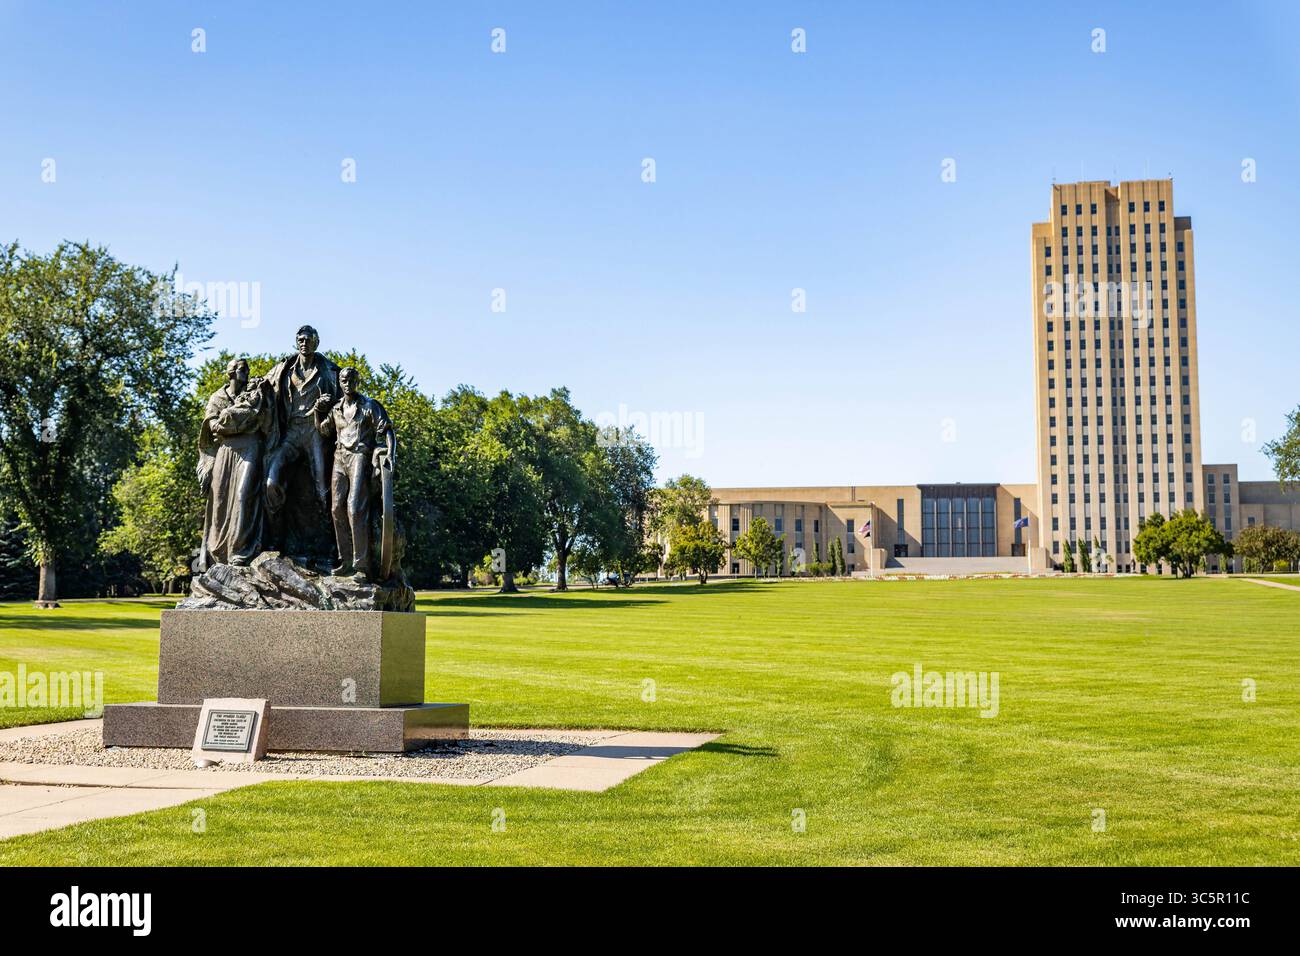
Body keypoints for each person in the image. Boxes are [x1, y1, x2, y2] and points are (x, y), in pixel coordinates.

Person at [263, 325, 341, 564]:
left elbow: (344, 404)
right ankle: (275, 540)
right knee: (271, 482)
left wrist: (328, 406)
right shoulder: (283, 370)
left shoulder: (329, 371)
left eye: (307, 339)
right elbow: (262, 389)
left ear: (316, 343)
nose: (303, 343)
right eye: (300, 339)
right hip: (292, 433)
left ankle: (333, 545)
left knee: (323, 491)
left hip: (316, 432)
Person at [315, 366, 395, 578]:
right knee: (336, 509)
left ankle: (361, 566)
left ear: (357, 382)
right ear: (340, 383)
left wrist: (390, 454)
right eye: (343, 380)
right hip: (339, 458)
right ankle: (346, 561)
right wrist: (317, 410)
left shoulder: (369, 406)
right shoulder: (337, 408)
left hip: (360, 455)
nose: (347, 383)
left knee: (354, 508)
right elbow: (324, 430)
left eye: (351, 380)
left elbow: (387, 430)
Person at [197, 358, 273, 568]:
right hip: (225, 451)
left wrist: (233, 422)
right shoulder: (218, 397)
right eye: (241, 369)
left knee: (243, 494)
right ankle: (219, 552)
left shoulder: (255, 394)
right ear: (230, 373)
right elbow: (212, 426)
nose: (246, 372)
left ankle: (241, 551)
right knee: (219, 500)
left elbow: (262, 421)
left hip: (250, 447)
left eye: (247, 369)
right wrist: (234, 424)